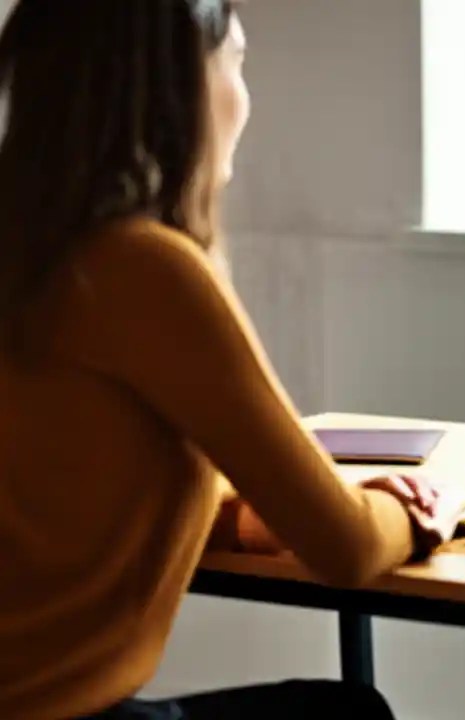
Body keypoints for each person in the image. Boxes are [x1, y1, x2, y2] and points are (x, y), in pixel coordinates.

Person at [0, 2, 439, 718]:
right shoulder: (142, 268)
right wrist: (412, 511)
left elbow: (62, 487)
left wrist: (235, 518)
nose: (246, 94)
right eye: (235, 61)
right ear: (179, 84)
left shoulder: (32, 252)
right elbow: (347, 548)